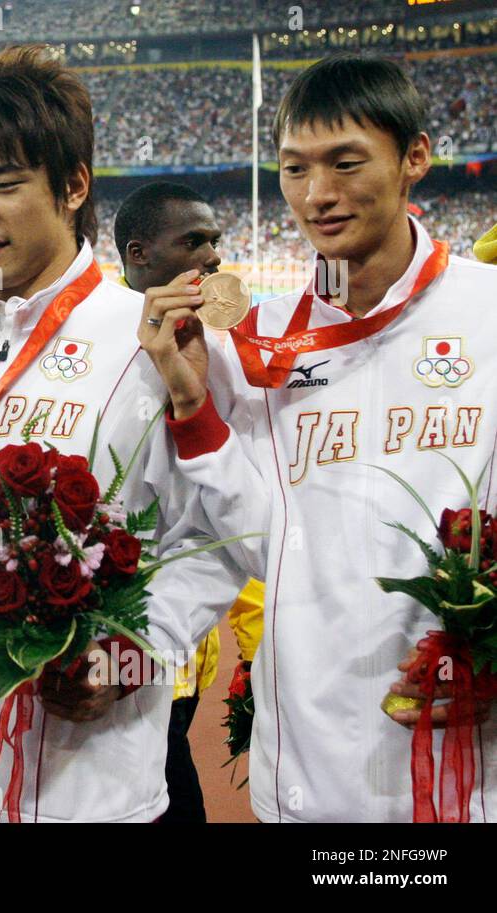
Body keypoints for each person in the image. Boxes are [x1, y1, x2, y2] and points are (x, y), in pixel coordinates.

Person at [0, 46, 243, 823]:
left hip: (87, 788)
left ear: (73, 186)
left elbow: (227, 538)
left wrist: (124, 658)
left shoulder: (155, 340)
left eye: (3, 182)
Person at [141, 54, 497, 822]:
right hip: (306, 764)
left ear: (415, 159)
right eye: (294, 169)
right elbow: (240, 538)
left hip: (468, 760)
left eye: (345, 163)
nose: (317, 196)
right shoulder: (249, 346)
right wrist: (194, 407)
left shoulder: (488, 313)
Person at [113, 181, 266, 823]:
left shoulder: (228, 351)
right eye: (194, 242)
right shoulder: (97, 352)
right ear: (140, 253)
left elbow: (242, 526)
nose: (212, 258)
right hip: (112, 643)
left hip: (188, 639)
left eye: (215, 242)